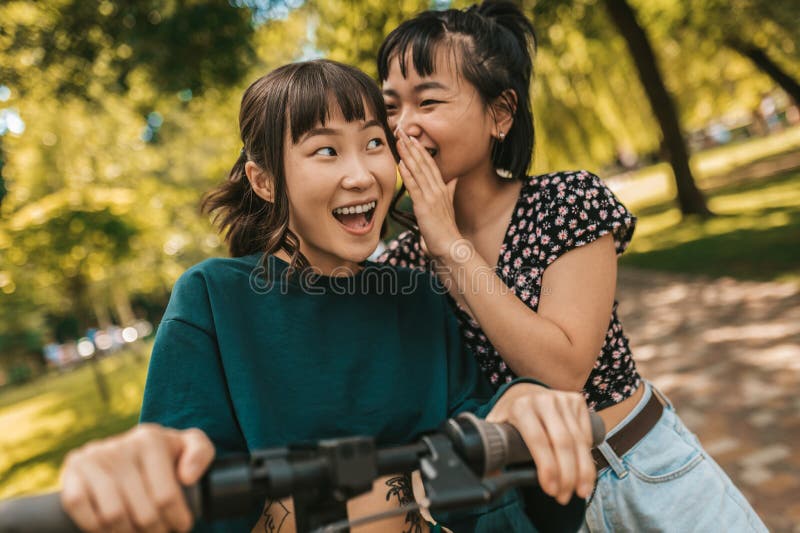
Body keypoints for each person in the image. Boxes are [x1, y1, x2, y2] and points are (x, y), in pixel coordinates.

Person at [59, 59, 597, 533]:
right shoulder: (213, 299)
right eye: (325, 151)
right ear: (264, 180)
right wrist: (140, 464)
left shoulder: (414, 295)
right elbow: (179, 470)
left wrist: (522, 405)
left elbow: (478, 462)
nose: (360, 175)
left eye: (373, 144)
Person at [375, 2, 767, 532]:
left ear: (500, 114)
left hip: (647, 475)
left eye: (428, 101)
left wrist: (449, 245)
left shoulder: (567, 202)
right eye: (391, 106)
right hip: (539, 514)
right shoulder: (399, 264)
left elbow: (562, 372)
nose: (404, 127)